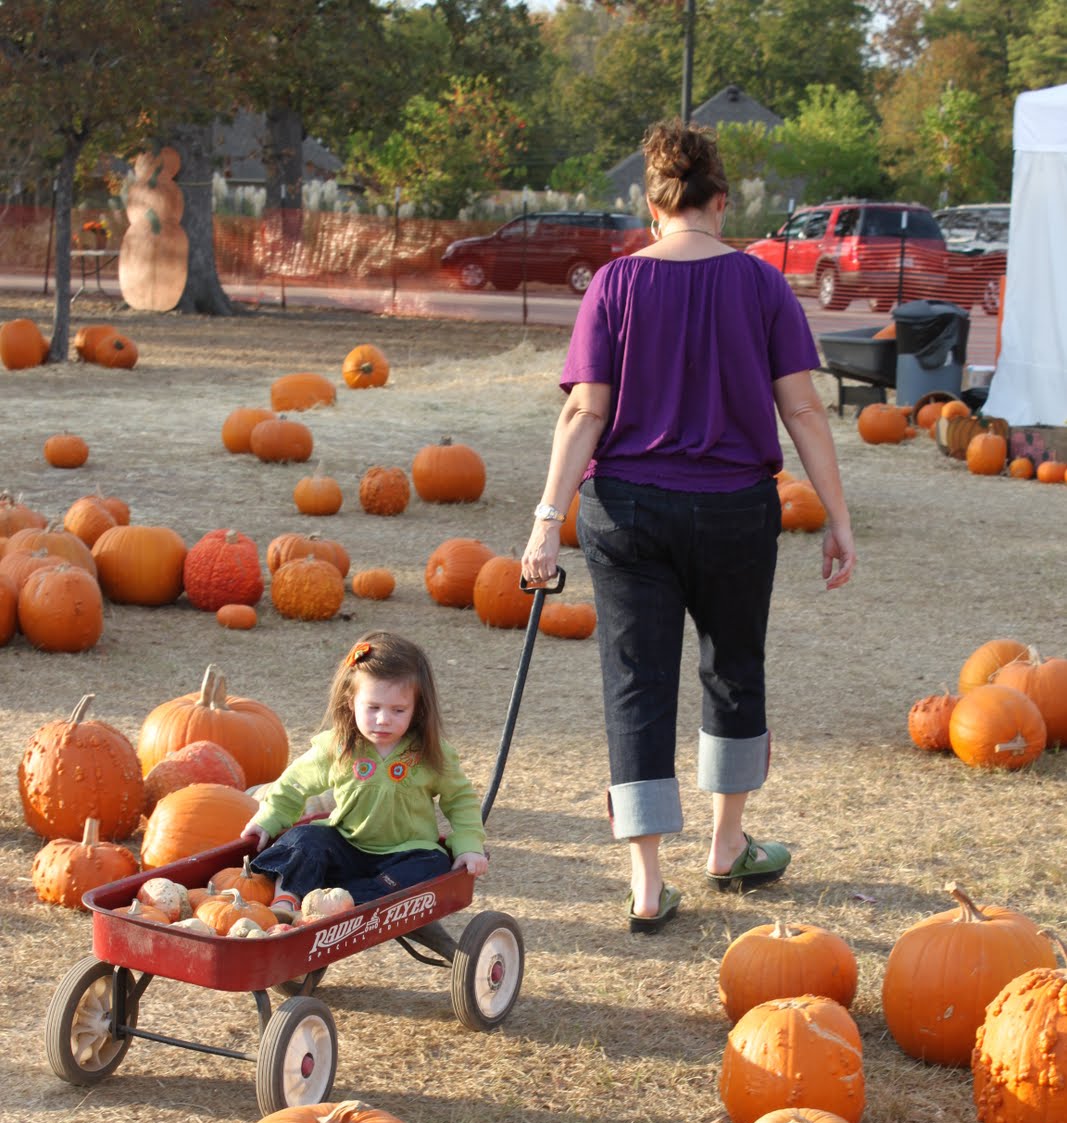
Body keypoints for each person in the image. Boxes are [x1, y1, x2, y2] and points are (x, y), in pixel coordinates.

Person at [521, 117, 856, 933]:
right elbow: (803, 409)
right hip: (735, 509)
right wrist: (838, 519)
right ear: (721, 197)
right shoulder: (762, 284)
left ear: (652, 201)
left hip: (626, 509)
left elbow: (583, 412)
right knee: (732, 664)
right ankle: (726, 846)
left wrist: (543, 521)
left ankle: (644, 884)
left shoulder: (615, 284)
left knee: (634, 682)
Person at [240, 632, 488, 921]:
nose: (384, 719)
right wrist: (268, 818)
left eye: (398, 710)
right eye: (373, 708)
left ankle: (344, 902)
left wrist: (469, 844)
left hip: (405, 853)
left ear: (417, 709)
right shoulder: (338, 746)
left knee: (433, 864)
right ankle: (288, 900)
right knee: (303, 838)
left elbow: (459, 800)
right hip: (346, 846)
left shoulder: (431, 753)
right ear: (351, 702)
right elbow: (295, 783)